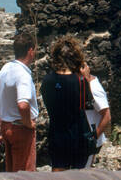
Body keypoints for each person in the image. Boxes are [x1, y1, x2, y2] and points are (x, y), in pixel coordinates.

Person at [0, 29, 40, 172]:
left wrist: (1, 112)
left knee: (11, 171)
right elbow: (23, 105)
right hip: (21, 128)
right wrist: (28, 123)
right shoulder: (23, 74)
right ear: (30, 51)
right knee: (25, 174)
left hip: (7, 126)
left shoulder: (7, 67)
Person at [40, 36, 93, 170]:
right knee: (78, 179)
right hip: (78, 135)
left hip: (57, 135)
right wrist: (87, 79)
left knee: (58, 177)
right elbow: (86, 104)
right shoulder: (80, 81)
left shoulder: (47, 80)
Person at [82, 60, 111, 165]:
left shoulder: (94, 88)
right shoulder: (79, 85)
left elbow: (106, 115)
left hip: (89, 139)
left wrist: (93, 138)